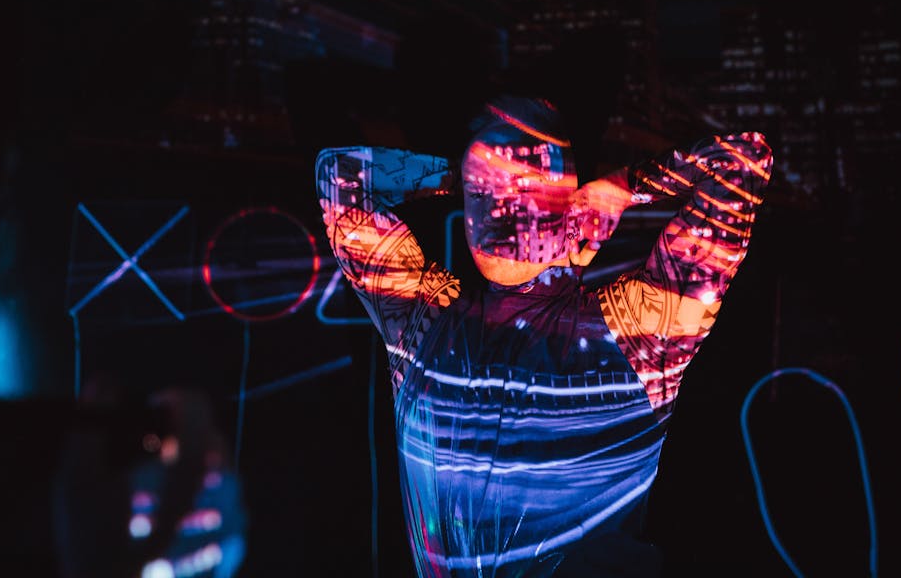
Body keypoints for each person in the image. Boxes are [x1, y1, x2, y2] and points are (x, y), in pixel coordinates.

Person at [314, 95, 773, 577]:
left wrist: (622, 188)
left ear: (573, 203)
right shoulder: (423, 321)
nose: (498, 207)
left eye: (526, 187)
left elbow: (740, 162)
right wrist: (466, 176)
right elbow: (339, 172)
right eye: (483, 191)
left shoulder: (639, 330)